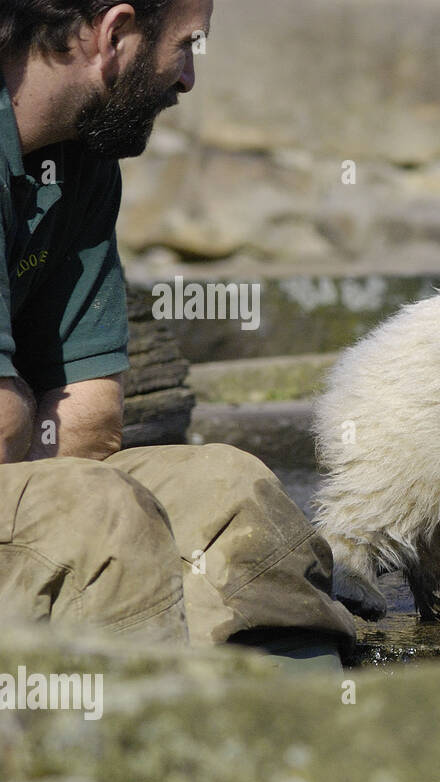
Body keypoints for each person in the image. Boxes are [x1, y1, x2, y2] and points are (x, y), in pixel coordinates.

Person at [0, 1, 356, 667]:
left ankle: (299, 737)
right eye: (186, 45)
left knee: (230, 493)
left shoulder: (79, 157)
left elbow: (92, 415)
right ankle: (125, 749)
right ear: (115, 34)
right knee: (95, 514)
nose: (189, 78)